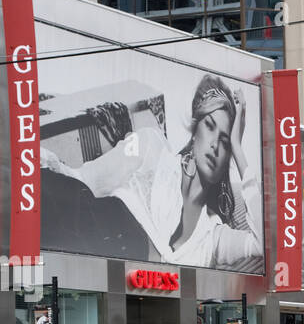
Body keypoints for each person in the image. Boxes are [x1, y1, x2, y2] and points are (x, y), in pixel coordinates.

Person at [42, 74, 263, 269]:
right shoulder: (150, 147)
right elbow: (83, 179)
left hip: (120, 293)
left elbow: (262, 244)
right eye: (210, 126)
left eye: (225, 141)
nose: (215, 144)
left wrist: (238, 147)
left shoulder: (213, 236)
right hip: (71, 240)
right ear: (195, 129)